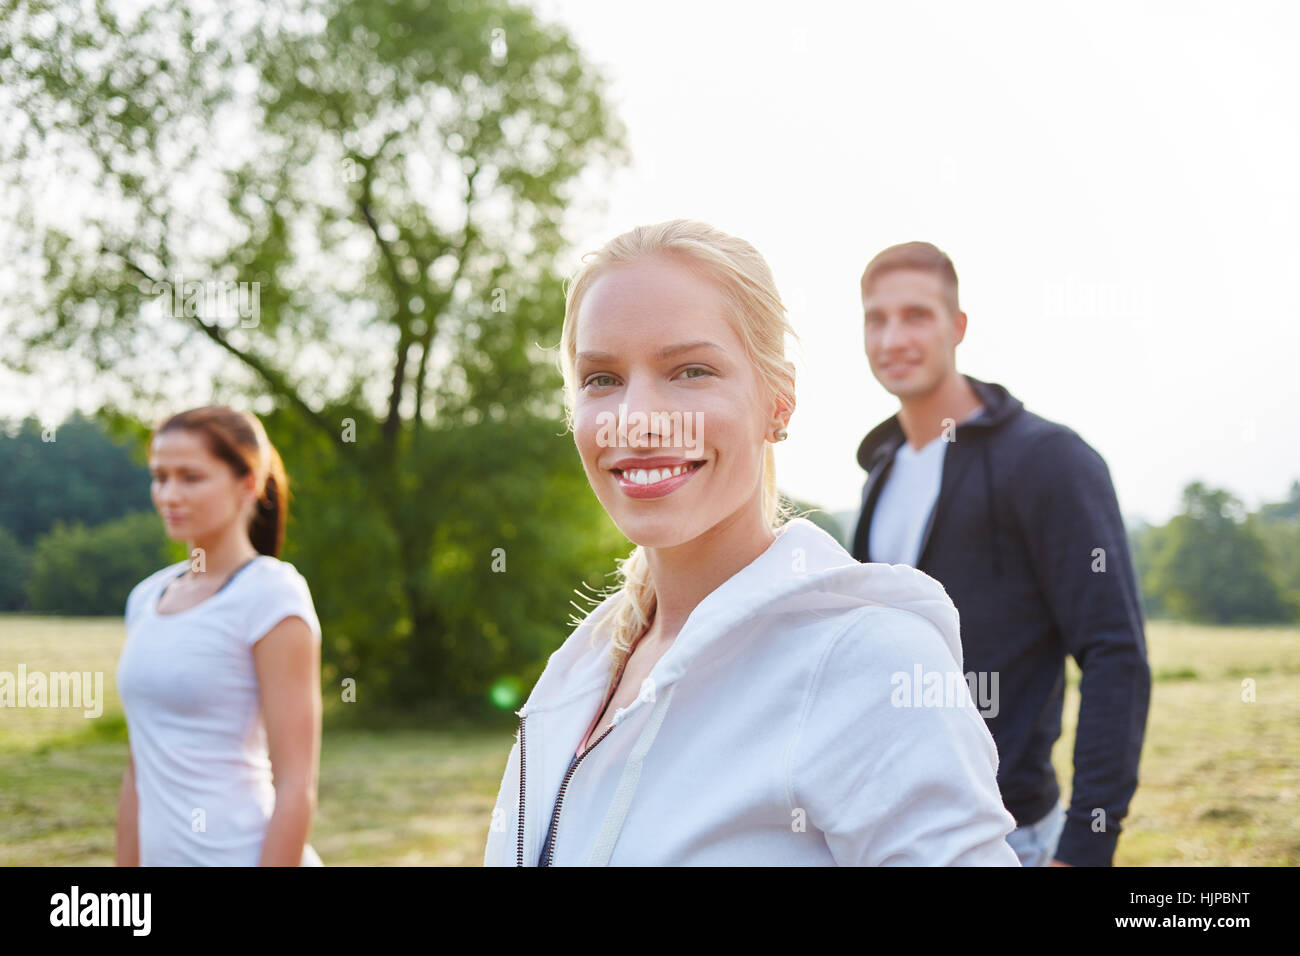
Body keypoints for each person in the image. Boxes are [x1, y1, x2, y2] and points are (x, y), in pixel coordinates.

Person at [482, 219, 1019, 866]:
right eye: (602, 379)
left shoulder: (870, 662)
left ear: (779, 401)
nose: (641, 419)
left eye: (690, 370)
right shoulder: (581, 671)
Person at [849, 241, 1151, 867]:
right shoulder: (880, 469)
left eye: (916, 315)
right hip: (887, 825)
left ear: (958, 327)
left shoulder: (1048, 460)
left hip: (1005, 832)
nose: (892, 337)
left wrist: (1087, 846)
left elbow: (1114, 654)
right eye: (876, 318)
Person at [115, 406, 324, 866]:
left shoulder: (271, 594)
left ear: (248, 482)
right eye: (160, 476)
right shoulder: (146, 597)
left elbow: (296, 786)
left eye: (191, 477)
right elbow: (138, 772)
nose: (169, 494)